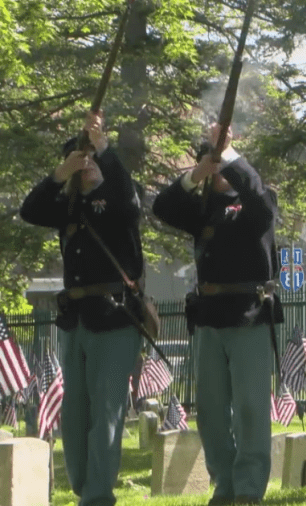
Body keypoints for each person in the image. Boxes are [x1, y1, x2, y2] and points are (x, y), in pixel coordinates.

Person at [152, 124, 281, 505]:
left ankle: (248, 488)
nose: (219, 169)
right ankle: (224, 485)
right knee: (210, 413)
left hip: (248, 314)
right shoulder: (202, 208)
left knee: (250, 408)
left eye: (222, 163)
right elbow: (162, 207)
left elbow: (261, 202)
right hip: (209, 316)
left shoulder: (255, 200)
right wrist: (195, 176)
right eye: (212, 162)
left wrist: (230, 154)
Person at [20, 111, 144, 506]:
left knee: (106, 411)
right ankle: (84, 485)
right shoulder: (68, 206)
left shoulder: (120, 197)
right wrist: (60, 174)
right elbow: (30, 210)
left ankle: (97, 495)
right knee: (73, 416)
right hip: (75, 319)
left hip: (114, 318)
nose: (87, 163)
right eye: (81, 158)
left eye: (92, 157)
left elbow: (130, 203)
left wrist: (104, 147)